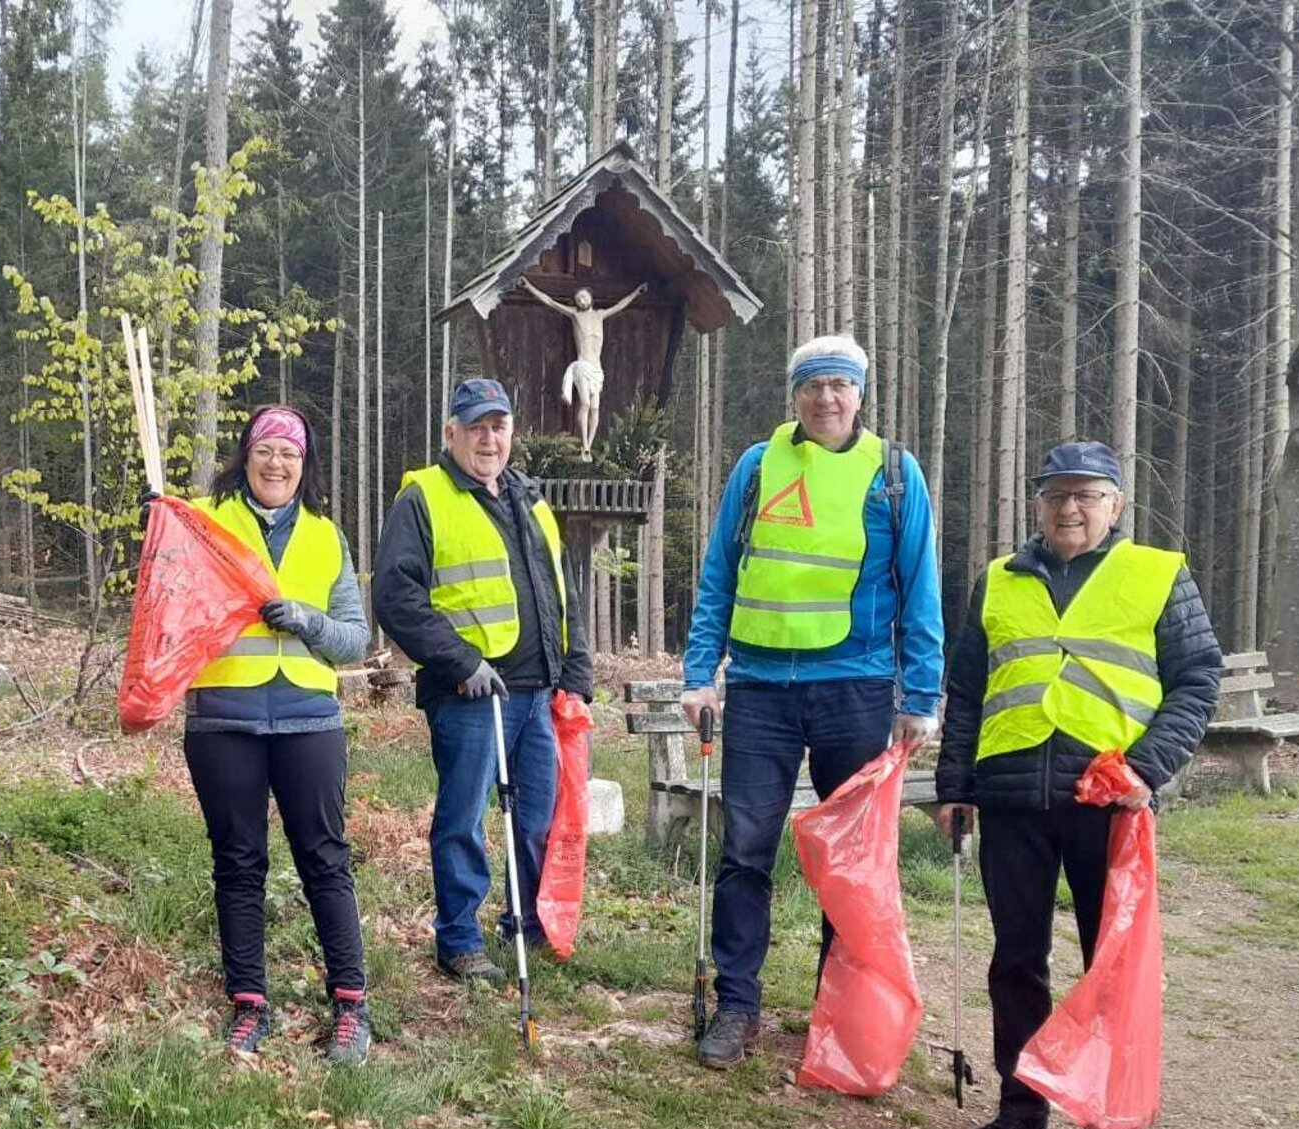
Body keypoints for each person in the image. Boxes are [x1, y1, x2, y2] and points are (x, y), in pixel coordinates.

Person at [936, 440, 1220, 1129]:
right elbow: (966, 691)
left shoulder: (1157, 574)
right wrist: (954, 785)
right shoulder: (998, 580)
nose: (1070, 507)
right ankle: (1021, 1108)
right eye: (1057, 494)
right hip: (1011, 797)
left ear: (1114, 505)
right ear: (1038, 503)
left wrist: (1147, 768)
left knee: (1113, 965)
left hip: (1109, 802)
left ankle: (1115, 1120)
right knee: (1016, 959)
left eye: (1087, 495)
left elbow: (1197, 680)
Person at [681, 334, 944, 1069]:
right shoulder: (757, 466)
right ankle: (737, 1004)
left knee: (847, 862)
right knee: (745, 851)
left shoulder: (895, 475)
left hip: (855, 687)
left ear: (860, 392)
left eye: (839, 385)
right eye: (812, 385)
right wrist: (700, 673)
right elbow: (719, 574)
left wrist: (921, 693)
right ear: (794, 394)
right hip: (759, 689)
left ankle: (842, 1007)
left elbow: (921, 587)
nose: (826, 398)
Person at [375, 377, 594, 983]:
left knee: (536, 819)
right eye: (476, 427)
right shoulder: (424, 498)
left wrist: (575, 671)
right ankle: (459, 939)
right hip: (470, 693)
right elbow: (395, 596)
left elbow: (562, 592)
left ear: (511, 433)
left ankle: (526, 925)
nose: (488, 439)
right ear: (451, 433)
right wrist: (460, 662)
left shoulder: (530, 498)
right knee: (464, 819)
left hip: (540, 692)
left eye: (498, 427)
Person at [183, 406, 373, 1063]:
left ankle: (351, 1003)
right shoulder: (205, 523)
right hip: (223, 717)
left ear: (304, 464)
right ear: (246, 456)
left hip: (309, 719)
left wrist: (308, 621)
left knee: (326, 859)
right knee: (238, 863)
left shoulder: (325, 535)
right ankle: (248, 1004)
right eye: (265, 449)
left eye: (289, 453)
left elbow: (355, 638)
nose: (276, 463)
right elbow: (169, 595)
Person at [518, 279, 651, 458]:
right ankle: (585, 445)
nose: (582, 300)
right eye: (578, 299)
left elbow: (620, 305)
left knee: (595, 408)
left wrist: (636, 292)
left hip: (597, 369)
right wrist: (529, 286)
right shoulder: (574, 314)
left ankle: (589, 444)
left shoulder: (600, 314)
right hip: (582, 365)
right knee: (585, 404)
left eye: (584, 297)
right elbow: (550, 301)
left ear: (590, 298)